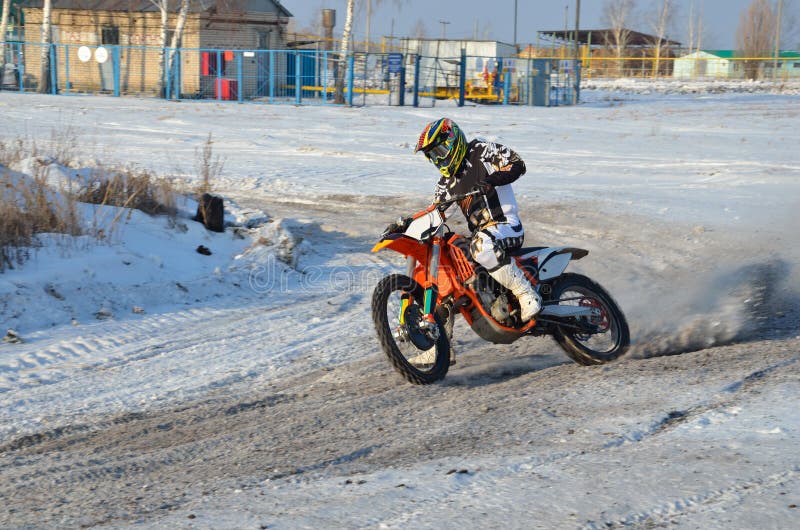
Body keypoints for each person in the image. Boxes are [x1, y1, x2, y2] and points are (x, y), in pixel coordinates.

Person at [415, 117, 541, 322]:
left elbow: (517, 163)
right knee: (450, 261)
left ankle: (526, 294)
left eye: (439, 152)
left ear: (452, 141)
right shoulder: (446, 182)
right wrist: (407, 226)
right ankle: (438, 344)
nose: (438, 160)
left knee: (481, 245)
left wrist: (491, 181)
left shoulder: (481, 151)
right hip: (482, 237)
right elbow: (434, 214)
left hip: (506, 226)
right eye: (433, 156)